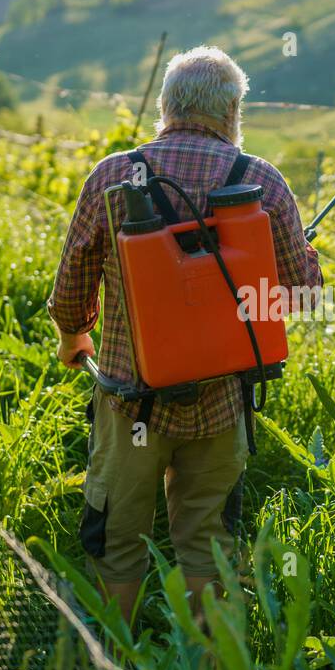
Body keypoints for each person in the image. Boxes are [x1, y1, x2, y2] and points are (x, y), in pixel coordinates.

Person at [48, 45, 321, 625]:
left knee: (117, 537)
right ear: (232, 112)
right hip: (222, 404)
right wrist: (291, 257)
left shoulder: (114, 175)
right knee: (208, 541)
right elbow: (302, 297)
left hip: (130, 404)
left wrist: (74, 335)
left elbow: (74, 276)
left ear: (166, 107)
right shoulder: (263, 183)